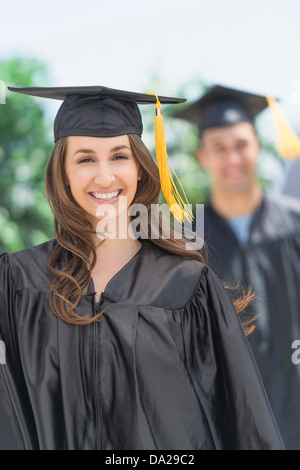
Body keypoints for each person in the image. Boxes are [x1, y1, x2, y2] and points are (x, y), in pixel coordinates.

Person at [0, 85, 283, 451]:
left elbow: (243, 422)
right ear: (63, 173)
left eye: (119, 156)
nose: (105, 176)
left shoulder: (186, 287)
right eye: (85, 159)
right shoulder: (19, 282)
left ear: (139, 168)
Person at [175, 84, 300, 450]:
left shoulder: (295, 226)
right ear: (202, 156)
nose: (233, 158)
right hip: (226, 426)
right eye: (220, 148)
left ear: (258, 147)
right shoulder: (184, 243)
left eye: (242, 144)